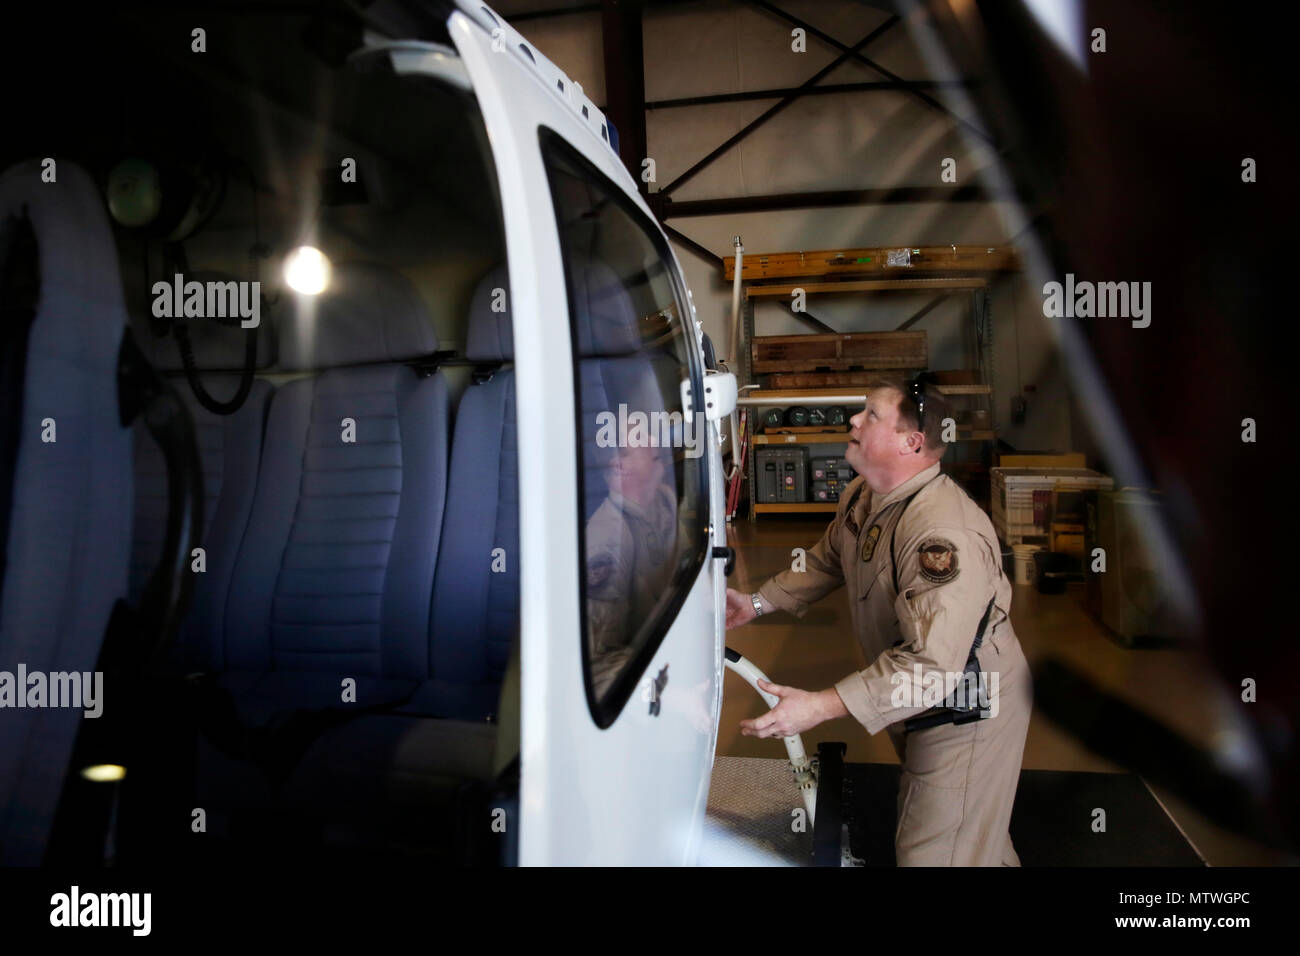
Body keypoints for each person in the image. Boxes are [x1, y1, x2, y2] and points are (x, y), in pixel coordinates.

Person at [725, 376, 1032, 866]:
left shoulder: (940, 534)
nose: (853, 419)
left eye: (871, 414)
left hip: (965, 707)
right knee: (971, 838)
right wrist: (756, 604)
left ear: (912, 442)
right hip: (916, 699)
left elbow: (933, 668)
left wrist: (821, 705)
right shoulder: (864, 495)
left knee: (935, 854)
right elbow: (828, 559)